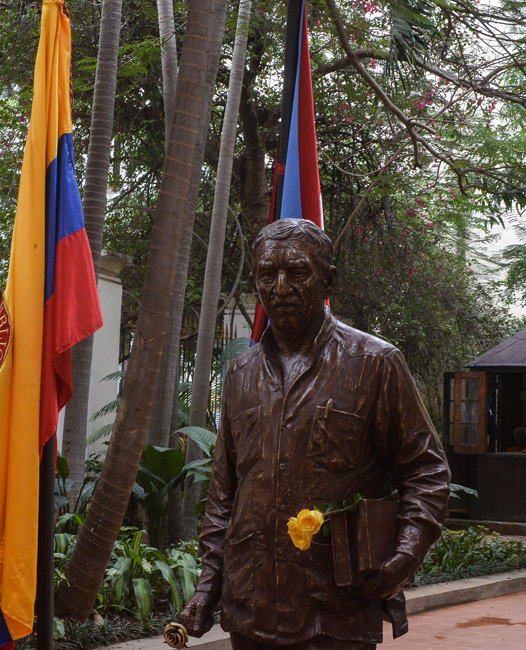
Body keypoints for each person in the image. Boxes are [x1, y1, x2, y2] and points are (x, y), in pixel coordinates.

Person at [179, 218, 450, 650]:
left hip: (336, 608)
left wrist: (402, 558)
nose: (281, 287)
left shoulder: (375, 364)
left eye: (298, 271)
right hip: (250, 608)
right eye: (268, 274)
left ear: (328, 279)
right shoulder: (239, 375)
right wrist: (207, 586)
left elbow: (426, 473)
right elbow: (224, 495)